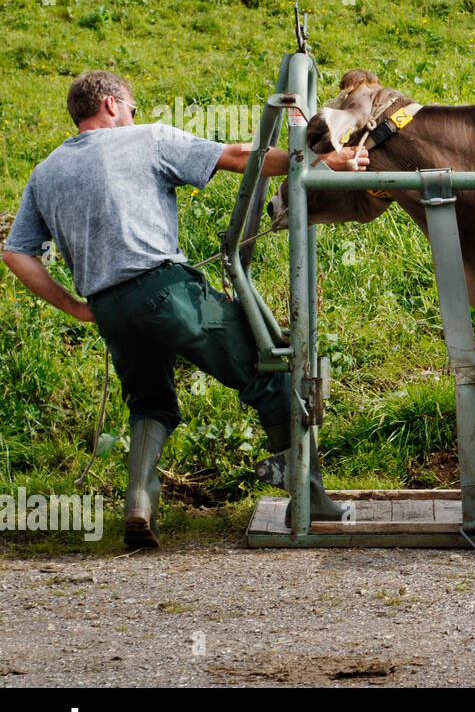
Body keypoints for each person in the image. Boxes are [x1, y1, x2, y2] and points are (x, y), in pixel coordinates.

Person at [2, 70, 369, 549]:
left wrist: (74, 306)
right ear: (112, 105)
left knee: (150, 404)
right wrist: (320, 159)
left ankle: (139, 500)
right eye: (132, 106)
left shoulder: (46, 171)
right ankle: (310, 497)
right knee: (269, 368)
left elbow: (15, 253)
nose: (135, 114)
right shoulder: (145, 139)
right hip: (166, 291)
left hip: (109, 308)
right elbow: (240, 157)